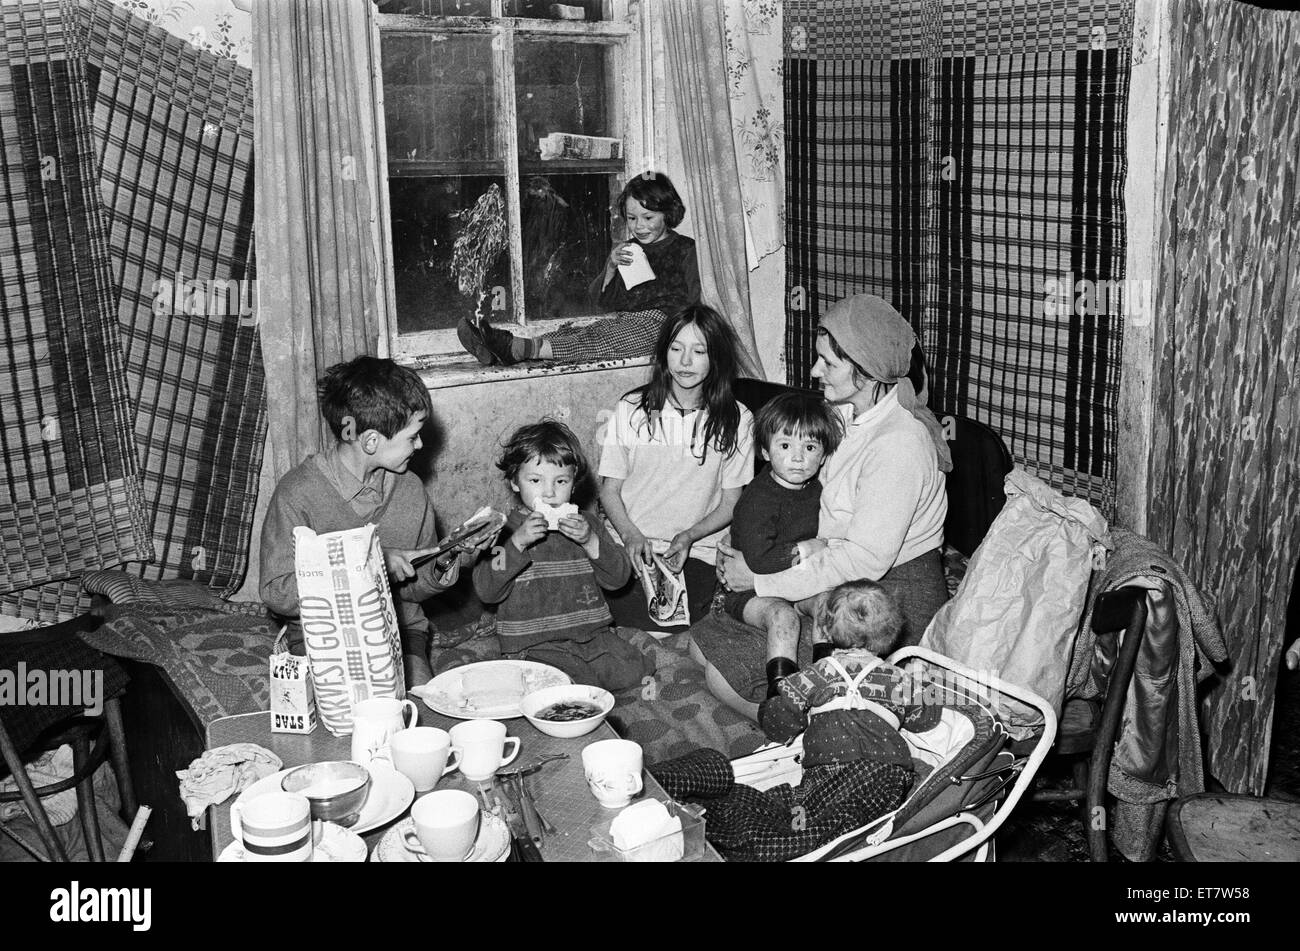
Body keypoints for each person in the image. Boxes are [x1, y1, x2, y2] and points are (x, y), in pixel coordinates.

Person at [702, 293, 952, 715]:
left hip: (885, 596)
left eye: (829, 364)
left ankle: (800, 723)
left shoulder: (899, 445)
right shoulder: (846, 414)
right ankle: (808, 708)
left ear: (868, 373)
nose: (815, 370)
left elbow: (864, 560)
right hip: (839, 572)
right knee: (709, 649)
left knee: (725, 675)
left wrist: (759, 580)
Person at [259, 356, 487, 688]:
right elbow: (276, 592)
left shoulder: (409, 489)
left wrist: (450, 554)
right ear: (370, 442)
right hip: (325, 641)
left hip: (401, 629)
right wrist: (369, 565)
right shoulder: (297, 494)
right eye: (412, 437)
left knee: (420, 711)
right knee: (354, 719)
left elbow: (414, 589)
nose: (420, 445)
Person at [598, 304, 755, 632]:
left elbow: (731, 503)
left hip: (695, 550)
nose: (685, 362)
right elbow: (609, 490)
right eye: (676, 348)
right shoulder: (631, 409)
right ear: (663, 353)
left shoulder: (738, 419)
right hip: (630, 542)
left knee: (672, 622)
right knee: (609, 616)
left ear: (716, 359)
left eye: (699, 351)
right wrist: (630, 536)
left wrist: (688, 537)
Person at [471, 420, 652, 690]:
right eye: (535, 480)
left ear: (574, 482)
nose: (549, 492)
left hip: (591, 636)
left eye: (561, 481)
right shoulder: (504, 530)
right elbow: (487, 589)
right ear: (515, 482)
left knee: (635, 668)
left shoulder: (588, 524)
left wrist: (591, 541)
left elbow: (618, 578)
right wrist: (517, 543)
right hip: (534, 645)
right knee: (566, 683)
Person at [457, 173, 701, 366]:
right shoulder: (630, 250)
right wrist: (611, 268)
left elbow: (699, 303)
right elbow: (604, 302)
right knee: (584, 330)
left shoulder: (686, 249)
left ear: (668, 213)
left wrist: (688, 339)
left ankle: (516, 348)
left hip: (666, 329)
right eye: (632, 218)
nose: (640, 226)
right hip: (628, 321)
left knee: (602, 338)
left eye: (648, 218)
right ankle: (503, 347)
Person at [757, 580, 941, 817]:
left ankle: (807, 832)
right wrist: (925, 684)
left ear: (825, 630)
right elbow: (925, 720)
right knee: (886, 805)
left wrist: (777, 708)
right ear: (890, 633)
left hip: (827, 774)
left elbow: (778, 725)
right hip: (888, 778)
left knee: (801, 815)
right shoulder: (899, 679)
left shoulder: (815, 675)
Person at [723, 392, 843, 697]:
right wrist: (808, 548)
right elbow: (759, 561)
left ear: (824, 455)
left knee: (828, 602)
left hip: (794, 582)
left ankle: (827, 681)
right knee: (783, 616)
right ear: (765, 451)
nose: (798, 458)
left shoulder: (817, 488)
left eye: (810, 447)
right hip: (748, 589)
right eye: (785, 445)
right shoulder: (758, 499)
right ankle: (781, 697)